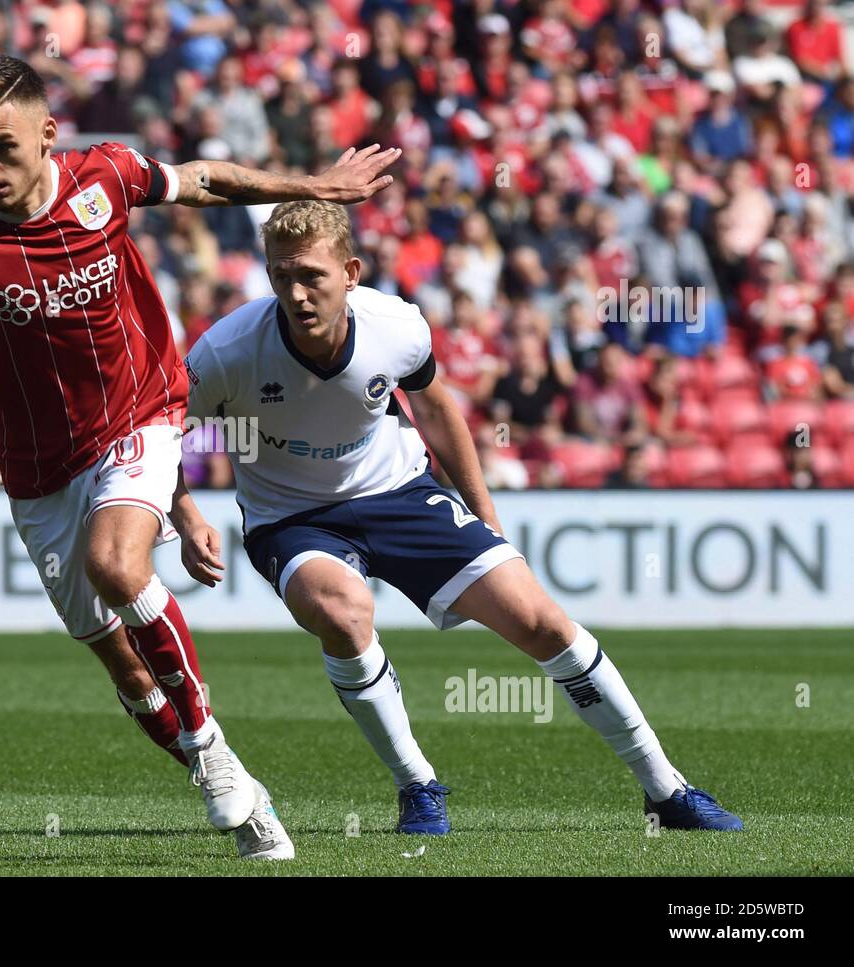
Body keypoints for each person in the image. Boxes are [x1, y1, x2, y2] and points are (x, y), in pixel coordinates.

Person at [0, 55, 400, 859]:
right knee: (123, 667)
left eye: (4, 147)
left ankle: (215, 757)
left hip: (140, 413)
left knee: (118, 564)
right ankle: (218, 765)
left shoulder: (107, 176)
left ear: (48, 134)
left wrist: (313, 189)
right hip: (37, 470)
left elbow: (204, 180)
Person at [181, 200, 743, 836]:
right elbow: (162, 426)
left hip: (398, 491)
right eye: (282, 276)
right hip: (292, 516)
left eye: (312, 275)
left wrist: (485, 514)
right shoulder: (226, 350)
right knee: (342, 611)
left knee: (544, 623)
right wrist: (185, 510)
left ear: (352, 272)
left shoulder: (397, 327)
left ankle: (666, 790)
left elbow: (439, 411)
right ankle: (418, 786)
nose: (297, 293)